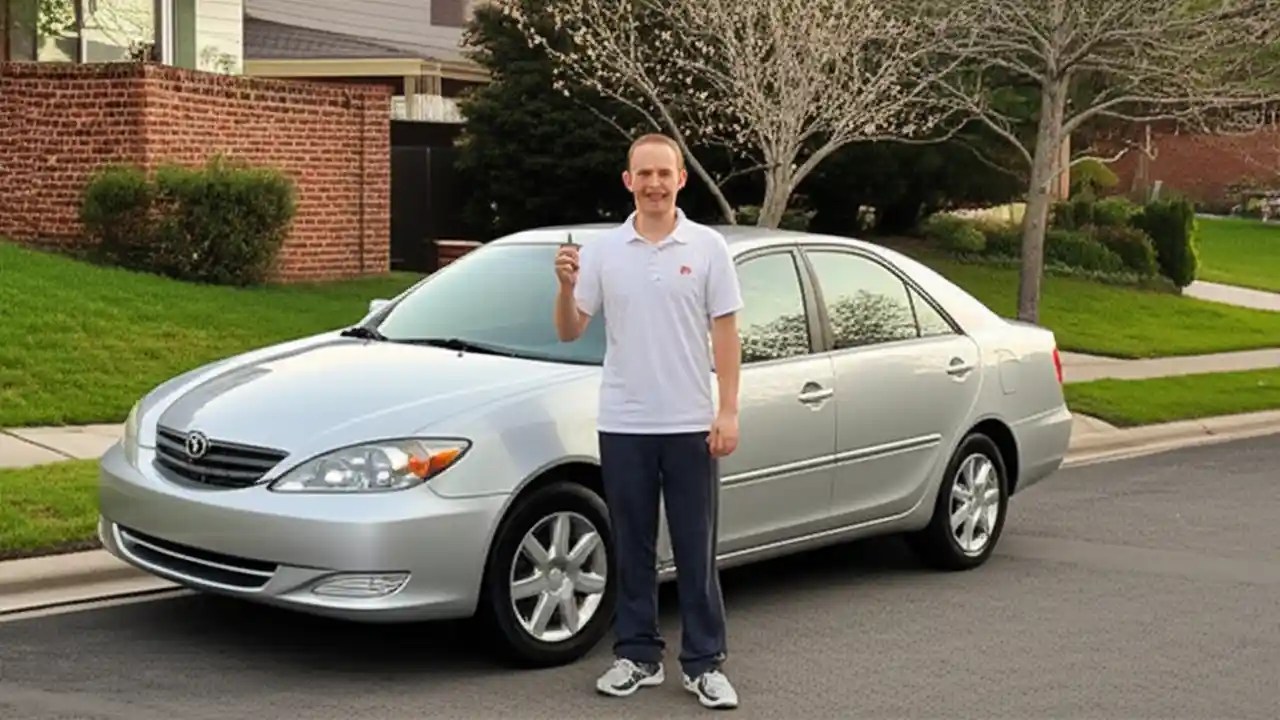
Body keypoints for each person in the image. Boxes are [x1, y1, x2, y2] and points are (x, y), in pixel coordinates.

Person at [553, 132, 744, 710]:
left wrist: (728, 409)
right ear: (627, 180)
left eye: (665, 173)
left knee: (695, 549)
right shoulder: (606, 252)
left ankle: (704, 663)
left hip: (689, 423)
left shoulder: (708, 247)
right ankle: (637, 656)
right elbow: (570, 329)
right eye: (645, 174)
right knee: (631, 547)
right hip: (625, 422)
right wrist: (564, 287)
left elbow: (726, 333)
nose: (655, 183)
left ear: (681, 179)